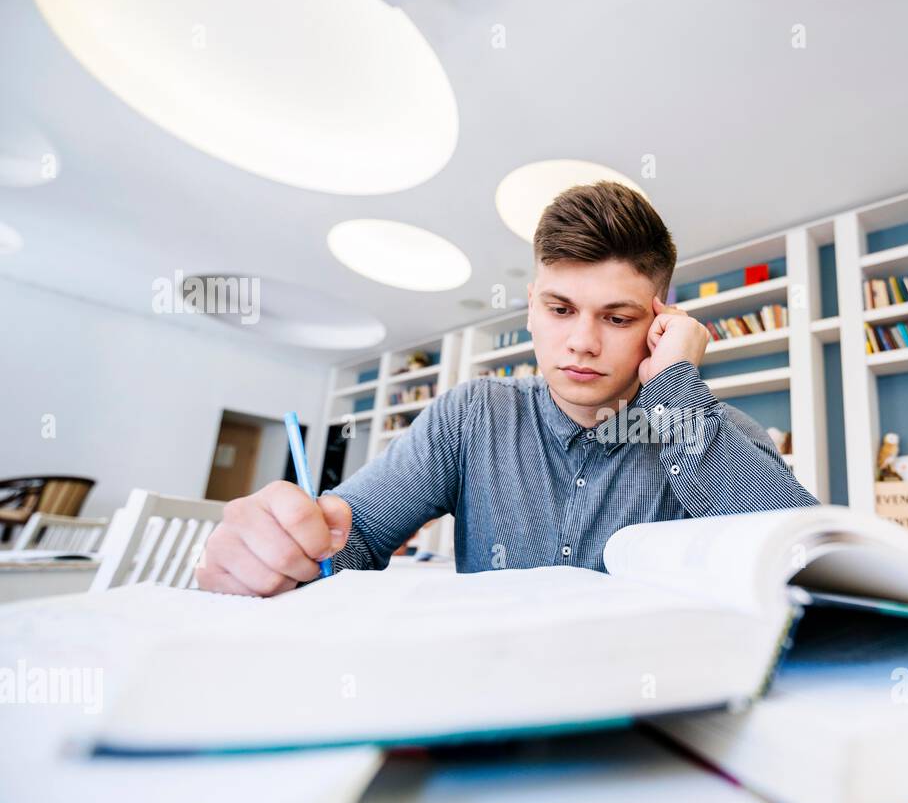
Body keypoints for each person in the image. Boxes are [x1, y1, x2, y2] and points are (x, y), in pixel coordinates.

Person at [196, 181, 819, 596]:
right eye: (559, 309)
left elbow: (806, 571)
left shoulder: (712, 432)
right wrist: (287, 551)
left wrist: (675, 392)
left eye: (617, 317)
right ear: (529, 308)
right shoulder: (473, 415)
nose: (581, 342)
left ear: (661, 324)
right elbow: (350, 541)